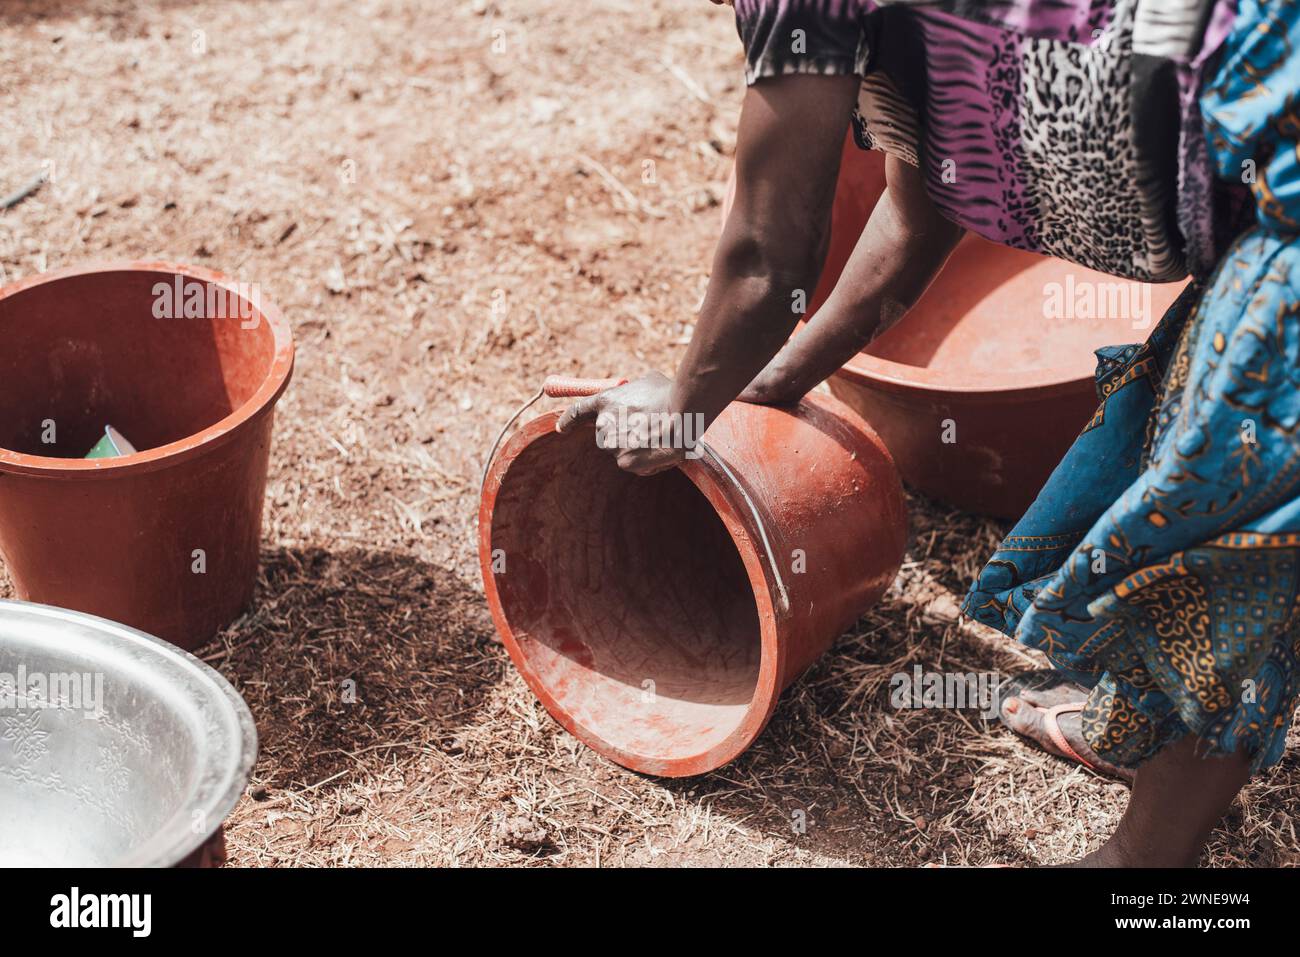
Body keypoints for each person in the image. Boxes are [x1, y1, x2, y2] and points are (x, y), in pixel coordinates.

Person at [558, 0, 1300, 866]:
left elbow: (768, 256)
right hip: (1254, 186)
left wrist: (682, 409)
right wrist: (757, 387)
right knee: (1203, 461)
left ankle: (1144, 866)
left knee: (1229, 539)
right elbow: (910, 228)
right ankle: (1144, 727)